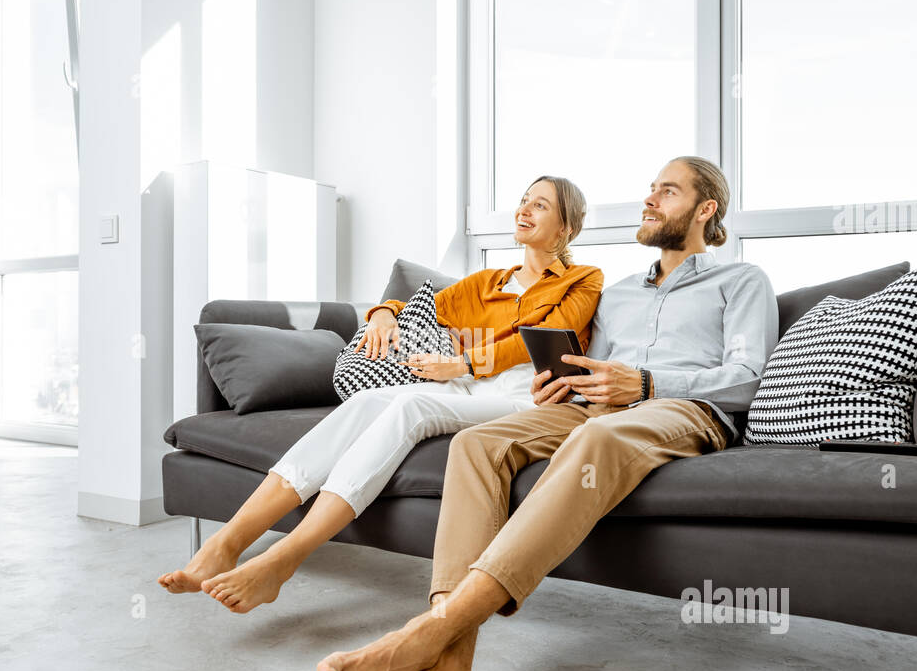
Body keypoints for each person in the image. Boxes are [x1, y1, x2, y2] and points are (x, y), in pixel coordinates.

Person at [315, 156, 780, 671]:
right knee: (479, 442)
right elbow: (591, 369)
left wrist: (642, 385)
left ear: (705, 209)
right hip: (594, 408)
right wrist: (556, 384)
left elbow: (746, 377)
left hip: (682, 409)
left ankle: (427, 635)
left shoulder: (741, 282)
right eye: (650, 189)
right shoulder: (617, 296)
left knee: (595, 439)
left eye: (667, 191)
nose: (650, 199)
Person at [158, 176, 604, 613]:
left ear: (566, 227)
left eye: (540, 205)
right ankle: (226, 542)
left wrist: (466, 363)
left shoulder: (584, 278)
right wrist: (381, 316)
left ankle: (284, 558)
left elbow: (542, 336)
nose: (524, 209)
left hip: (527, 394)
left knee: (412, 402)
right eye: (524, 200)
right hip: (469, 386)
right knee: (367, 401)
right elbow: (407, 304)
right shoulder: (487, 283)